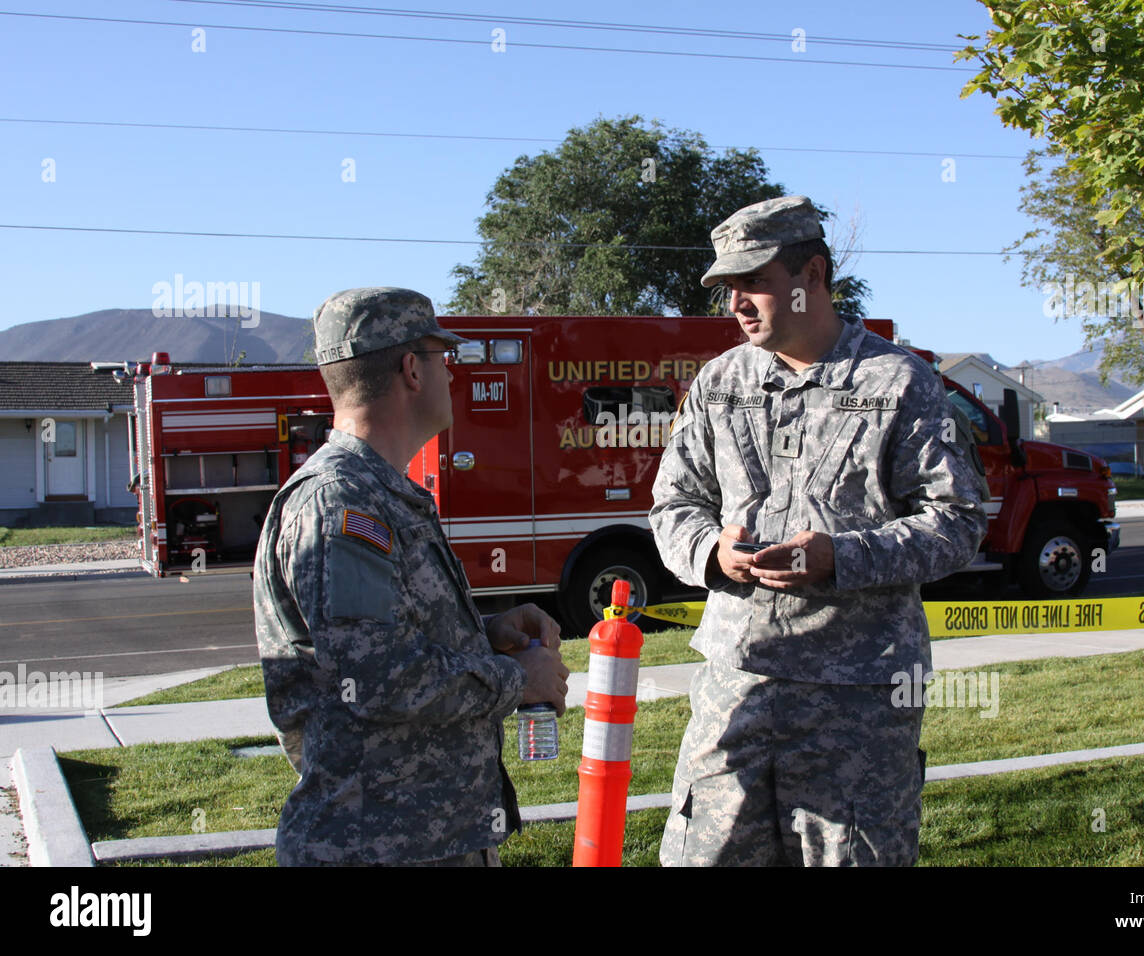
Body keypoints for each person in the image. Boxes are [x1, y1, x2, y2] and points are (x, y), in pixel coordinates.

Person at [651, 196, 988, 866]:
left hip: (856, 697)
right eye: (728, 289)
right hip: (736, 683)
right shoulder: (720, 383)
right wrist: (712, 554)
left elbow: (958, 521)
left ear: (813, 274)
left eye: (755, 283)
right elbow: (672, 505)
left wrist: (840, 557)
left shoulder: (897, 382)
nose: (738, 305)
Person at [253, 286, 568, 866]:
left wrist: (484, 629)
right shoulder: (342, 504)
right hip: (380, 847)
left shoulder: (378, 493)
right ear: (410, 371)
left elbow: (383, 635)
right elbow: (379, 676)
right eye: (442, 359)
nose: (452, 375)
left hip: (424, 839)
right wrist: (514, 677)